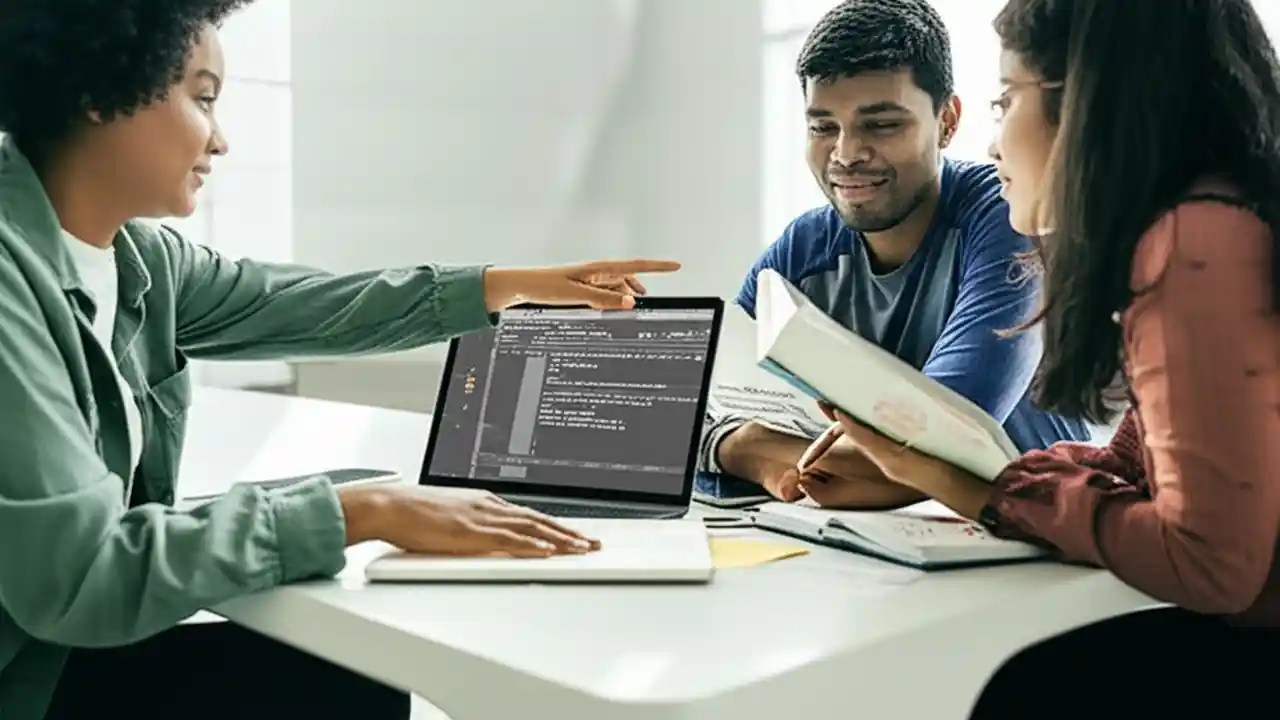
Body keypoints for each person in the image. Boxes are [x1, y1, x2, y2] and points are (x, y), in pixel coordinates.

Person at [0, 2, 682, 719]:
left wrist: (506, 286)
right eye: (203, 99)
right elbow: (84, 575)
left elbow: (308, 305)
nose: (220, 141)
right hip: (30, 679)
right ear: (100, 92)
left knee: (351, 667)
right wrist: (363, 509)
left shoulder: (141, 259)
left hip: (67, 654)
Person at [809, 0, 1280, 715]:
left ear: (1088, 101)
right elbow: (1134, 470)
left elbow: (1211, 563)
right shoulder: (1218, 218)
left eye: (1006, 101)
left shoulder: (1194, 245)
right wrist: (956, 476)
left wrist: (984, 491)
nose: (994, 144)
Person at [698, 0, 1088, 509]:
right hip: (871, 546)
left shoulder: (1008, 218)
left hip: (1026, 542)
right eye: (822, 127)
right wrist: (738, 446)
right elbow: (693, 413)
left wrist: (751, 446)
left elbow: (943, 443)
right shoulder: (802, 250)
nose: (846, 154)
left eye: (881, 125)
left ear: (947, 121)